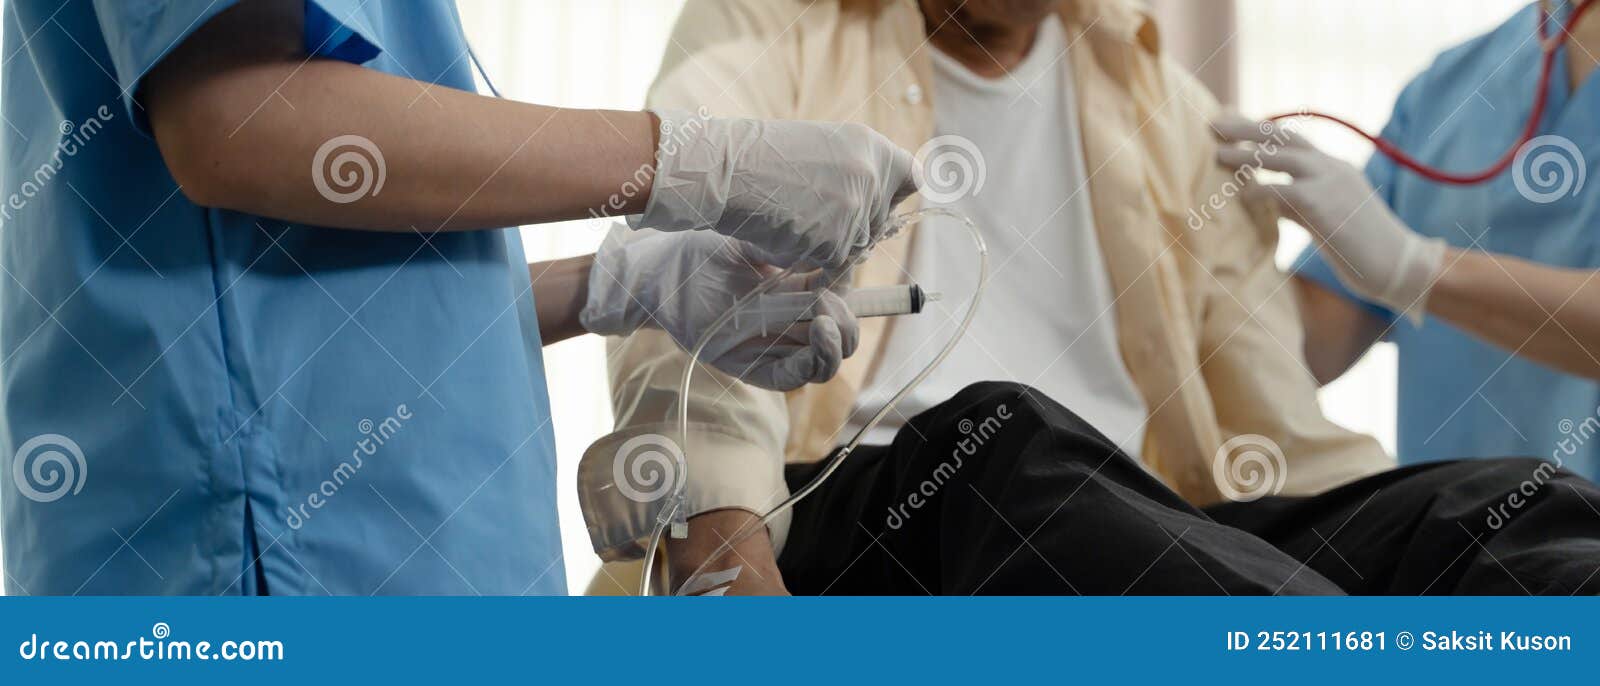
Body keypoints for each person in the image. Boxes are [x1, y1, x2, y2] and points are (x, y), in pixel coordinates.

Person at [579, 0, 1600, 596]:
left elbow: (1276, 419)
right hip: (867, 506)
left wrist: (1401, 536)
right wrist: (722, 545)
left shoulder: (1163, 106)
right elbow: (688, 292)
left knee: (1502, 504)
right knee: (1006, 439)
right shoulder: (770, 31)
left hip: (1141, 525)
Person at [0, 0, 915, 595]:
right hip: (294, 564)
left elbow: (302, 299)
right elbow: (241, 123)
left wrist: (613, 287)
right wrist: (694, 160)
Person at [1222, 0, 1600, 480]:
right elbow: (1311, 346)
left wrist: (1414, 269)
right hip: (1452, 540)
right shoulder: (1452, 89)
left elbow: (1398, 266)